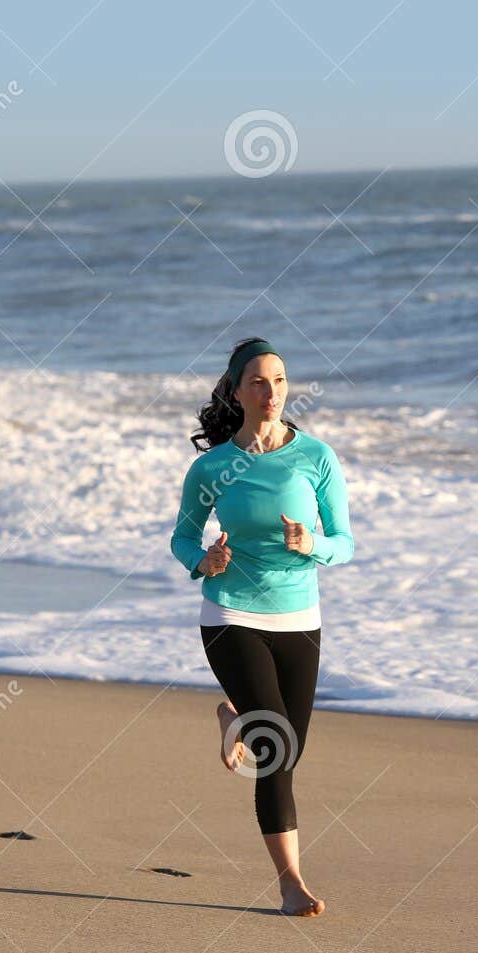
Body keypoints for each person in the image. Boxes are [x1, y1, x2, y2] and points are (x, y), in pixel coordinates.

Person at [170, 338, 354, 917]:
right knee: (275, 747)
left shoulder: (317, 458)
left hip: (299, 615)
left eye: (278, 380)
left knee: (288, 747)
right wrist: (203, 561)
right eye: (257, 381)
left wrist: (314, 545)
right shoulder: (213, 466)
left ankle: (234, 717)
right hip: (230, 612)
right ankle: (291, 882)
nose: (270, 391)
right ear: (235, 391)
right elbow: (181, 535)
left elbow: (345, 542)